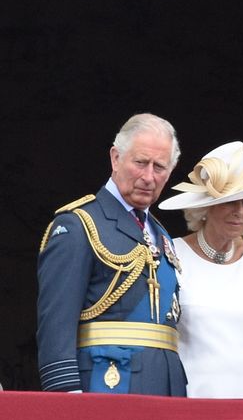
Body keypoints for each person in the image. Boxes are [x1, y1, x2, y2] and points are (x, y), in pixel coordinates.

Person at [36, 113, 186, 395]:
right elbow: (56, 325)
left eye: (160, 167)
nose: (149, 177)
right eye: (140, 162)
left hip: (165, 391)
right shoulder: (79, 225)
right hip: (106, 386)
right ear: (116, 158)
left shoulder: (161, 234)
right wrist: (65, 396)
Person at [158, 142, 243, 399]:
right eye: (230, 202)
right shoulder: (172, 254)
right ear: (205, 207)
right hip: (193, 405)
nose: (240, 212)